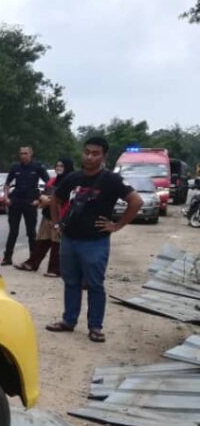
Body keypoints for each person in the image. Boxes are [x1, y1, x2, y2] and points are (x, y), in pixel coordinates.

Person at [41, 136, 143, 343]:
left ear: (104, 156)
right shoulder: (73, 178)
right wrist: (56, 224)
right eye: (87, 152)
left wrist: (116, 225)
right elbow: (55, 200)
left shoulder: (111, 180)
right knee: (71, 282)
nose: (89, 157)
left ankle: (95, 327)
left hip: (95, 242)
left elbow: (136, 201)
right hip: (69, 239)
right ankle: (68, 321)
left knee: (95, 285)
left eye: (95, 154)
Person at [15, 157, 74, 276]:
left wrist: (47, 200)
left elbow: (65, 199)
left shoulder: (70, 182)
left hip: (61, 216)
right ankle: (32, 264)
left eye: (61, 166)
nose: (58, 168)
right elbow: (43, 194)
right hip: (47, 214)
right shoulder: (52, 180)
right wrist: (42, 199)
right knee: (42, 240)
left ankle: (55, 270)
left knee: (57, 243)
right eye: (57, 165)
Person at [2, 146, 50, 265]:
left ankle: (32, 260)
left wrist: (39, 200)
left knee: (31, 232)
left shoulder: (38, 167)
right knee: (13, 231)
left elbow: (49, 184)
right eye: (21, 153)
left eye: (25, 153)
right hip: (16, 201)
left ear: (31, 154)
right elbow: (7, 183)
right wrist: (6, 197)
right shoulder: (15, 167)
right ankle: (7, 257)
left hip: (31, 201)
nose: (23, 156)